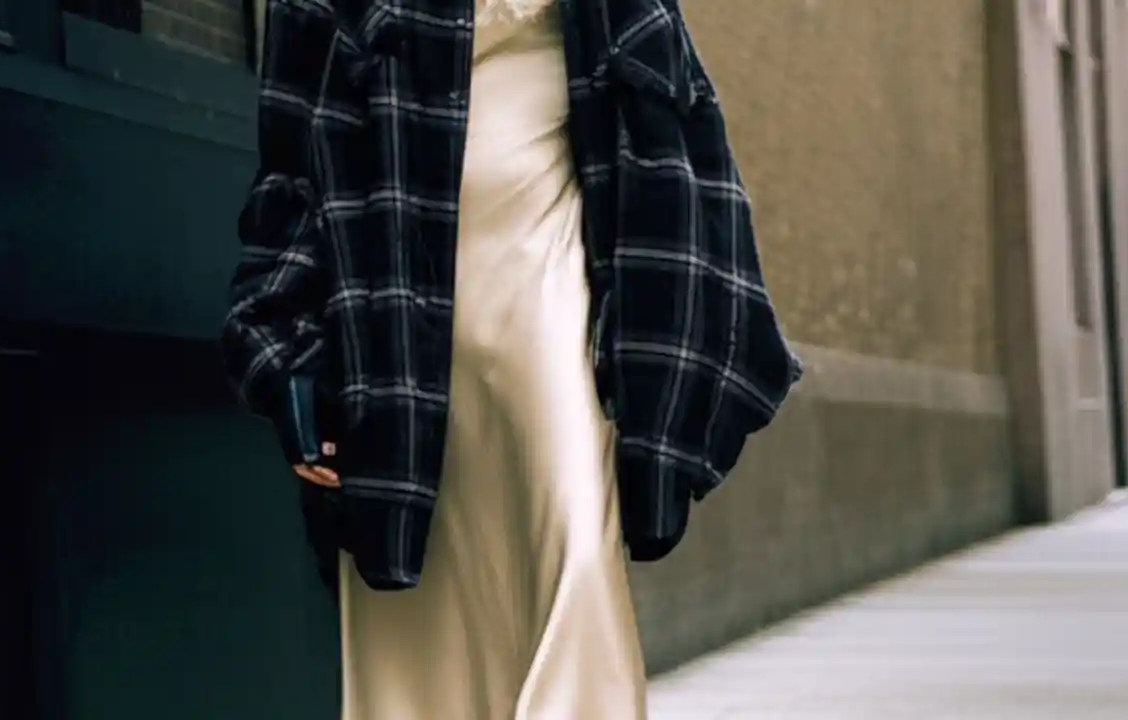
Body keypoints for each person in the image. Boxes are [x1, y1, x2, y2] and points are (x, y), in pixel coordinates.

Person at [221, 0, 802, 717]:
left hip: (549, 280)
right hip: (389, 314)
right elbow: (291, 171)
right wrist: (289, 358)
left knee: (578, 551)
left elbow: (673, 123)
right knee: (422, 628)